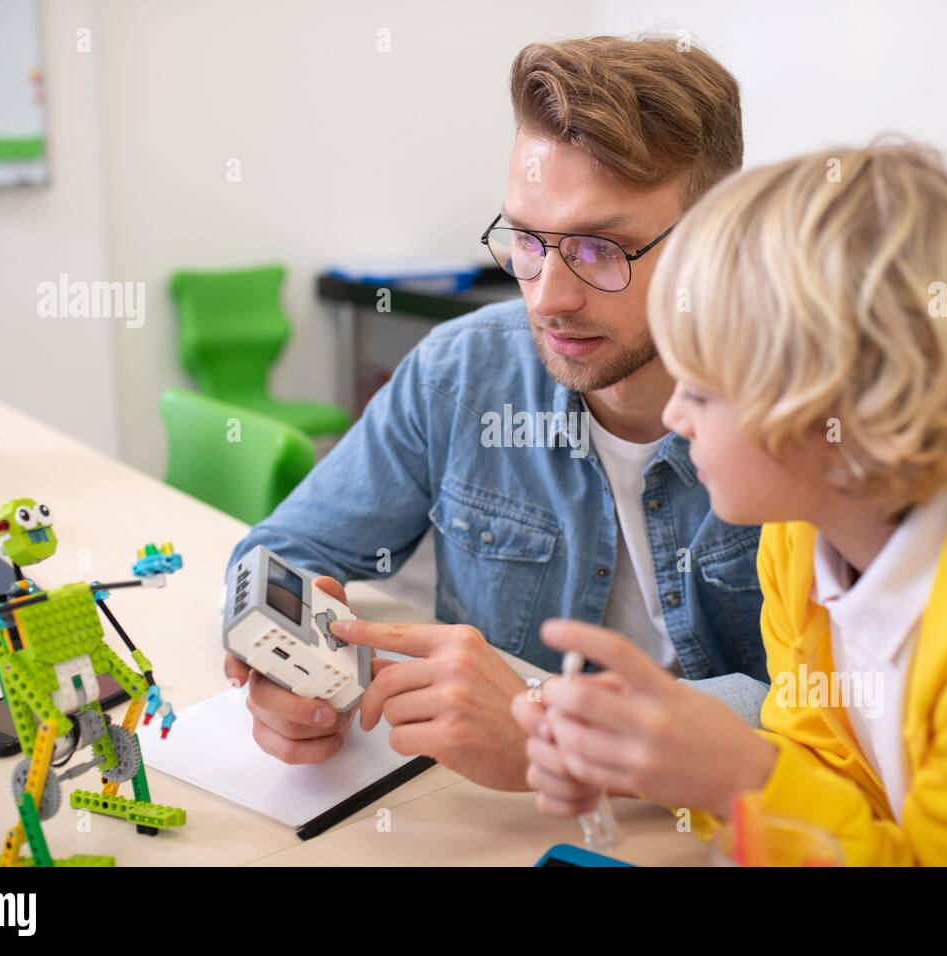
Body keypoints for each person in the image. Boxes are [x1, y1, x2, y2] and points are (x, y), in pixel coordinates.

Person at [513, 140, 947, 864]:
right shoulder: (802, 543)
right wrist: (677, 763)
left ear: (842, 414)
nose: (676, 418)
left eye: (703, 392)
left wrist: (738, 778)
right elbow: (836, 784)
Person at [224, 35, 769, 792]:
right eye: (526, 240)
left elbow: (854, 715)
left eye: (601, 247)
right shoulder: (462, 373)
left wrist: (552, 725)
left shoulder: (805, 412)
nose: (547, 296)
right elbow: (284, 551)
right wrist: (282, 663)